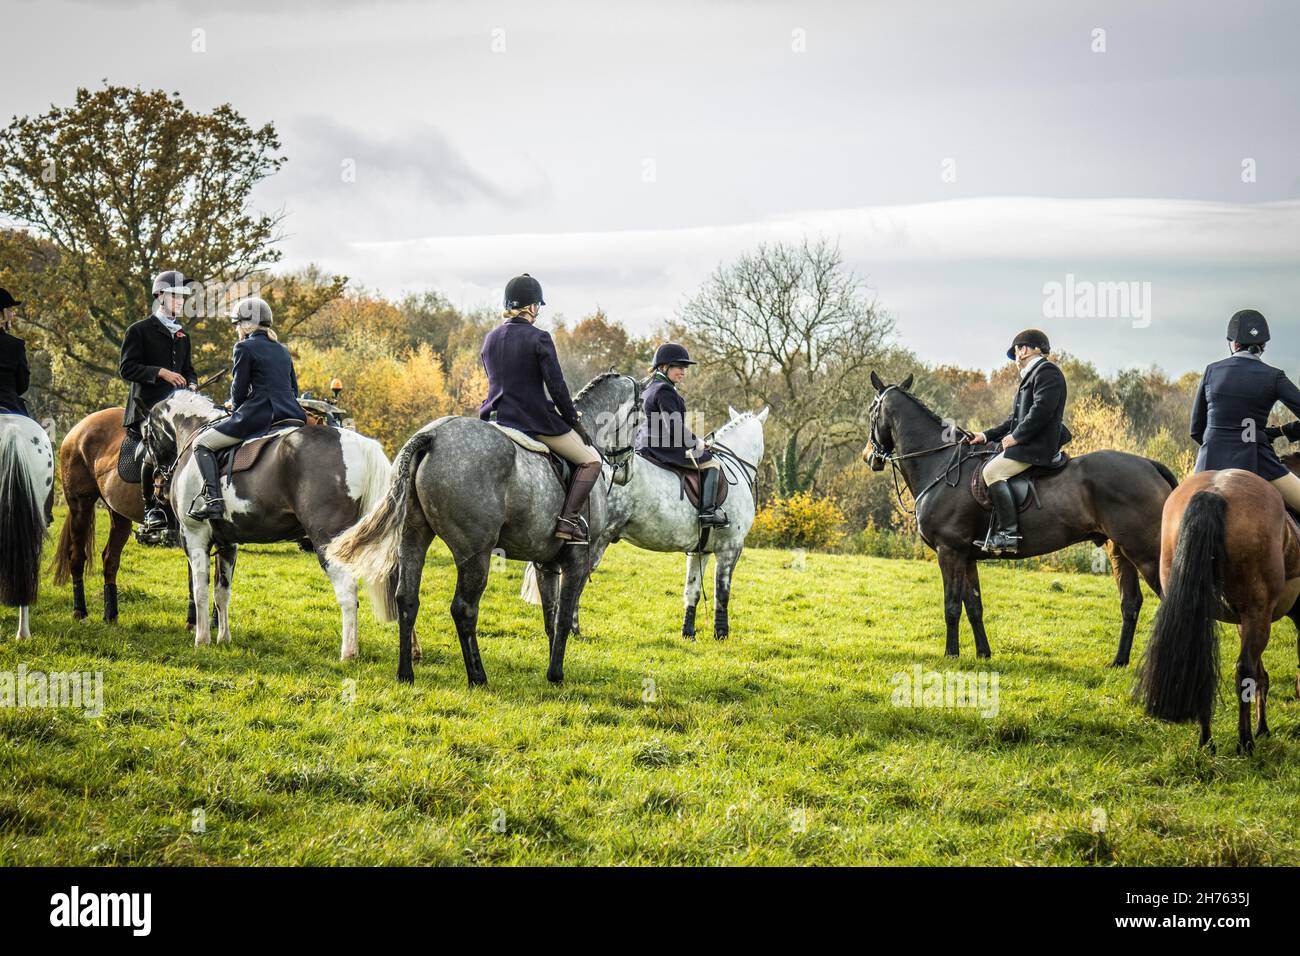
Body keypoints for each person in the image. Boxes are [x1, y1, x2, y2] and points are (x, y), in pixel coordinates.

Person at [479, 273, 602, 543]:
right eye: (538, 306)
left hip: (495, 418)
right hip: (530, 419)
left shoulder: (490, 339)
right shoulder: (539, 338)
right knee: (592, 460)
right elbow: (557, 388)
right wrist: (574, 422)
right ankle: (568, 521)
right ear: (532, 306)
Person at [187, 297, 305, 521]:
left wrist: (236, 406)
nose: (236, 329)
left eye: (237, 324)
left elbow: (239, 392)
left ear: (246, 325)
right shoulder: (282, 350)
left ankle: (213, 500)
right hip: (290, 414)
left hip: (259, 416)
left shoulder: (243, 347)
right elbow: (293, 389)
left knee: (201, 443)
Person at [967, 328, 1071, 554]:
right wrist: (985, 435)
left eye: (1015, 353)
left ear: (1023, 350)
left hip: (1037, 446)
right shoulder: (1033, 377)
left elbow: (1040, 412)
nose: (1015, 359)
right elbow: (1014, 420)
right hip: (1029, 442)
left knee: (991, 472)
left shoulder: (1047, 373)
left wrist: (1016, 437)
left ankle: (1008, 535)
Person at [1190, 309, 1300, 516]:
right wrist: (1280, 431)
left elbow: (1196, 429)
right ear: (1263, 346)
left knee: (1175, 514)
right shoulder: (1274, 376)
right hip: (1258, 461)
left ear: (1233, 343)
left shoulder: (1211, 371)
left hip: (1209, 461)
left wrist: (1218, 445)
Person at [120, 270, 199, 532]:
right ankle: (151, 507)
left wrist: (193, 382)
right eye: (175, 296)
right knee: (152, 449)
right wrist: (160, 373)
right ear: (160, 296)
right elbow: (127, 368)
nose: (180, 301)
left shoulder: (182, 335)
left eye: (183, 297)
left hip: (177, 408)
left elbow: (189, 369)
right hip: (147, 408)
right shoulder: (138, 330)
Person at [634, 343, 728, 527]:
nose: (683, 371)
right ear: (663, 366)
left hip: (643, 442)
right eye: (678, 366)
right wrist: (697, 443)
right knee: (713, 463)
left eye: (684, 368)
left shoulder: (649, 387)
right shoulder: (664, 389)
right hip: (662, 447)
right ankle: (707, 514)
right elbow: (674, 428)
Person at [0, 288, 31, 417]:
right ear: (1, 314)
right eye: (10, 310)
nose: (13, 315)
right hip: (10, 407)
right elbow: (22, 385)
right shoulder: (15, 345)